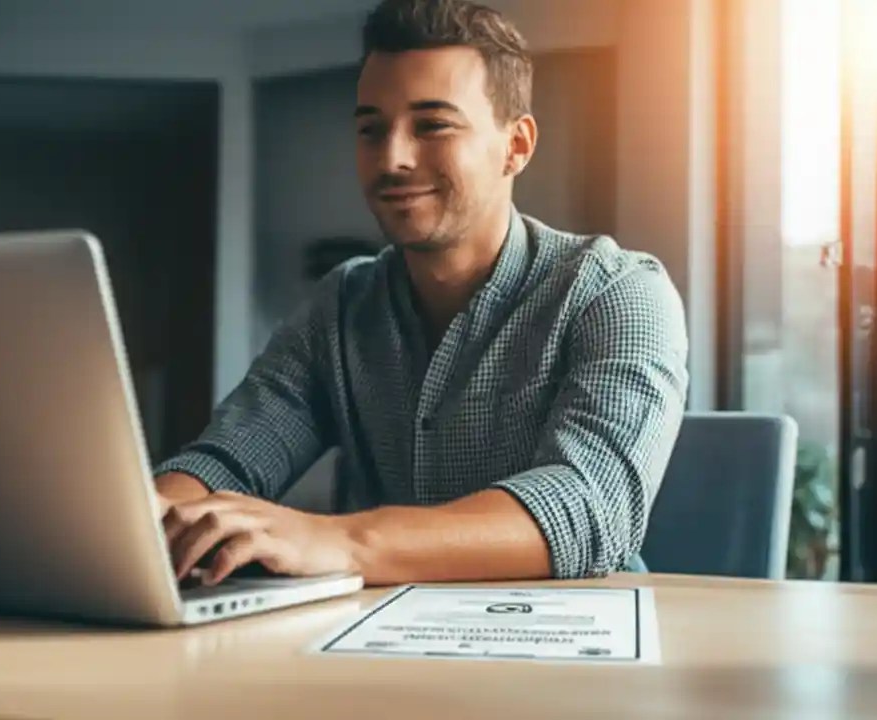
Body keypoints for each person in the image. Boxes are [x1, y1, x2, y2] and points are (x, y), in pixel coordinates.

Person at [153, 0, 688, 587]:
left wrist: (337, 539)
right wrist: (153, 518)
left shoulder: (618, 293)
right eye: (371, 128)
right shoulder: (341, 306)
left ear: (517, 145)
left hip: (563, 650)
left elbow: (586, 510)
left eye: (433, 124)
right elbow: (230, 457)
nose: (393, 157)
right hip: (369, 650)